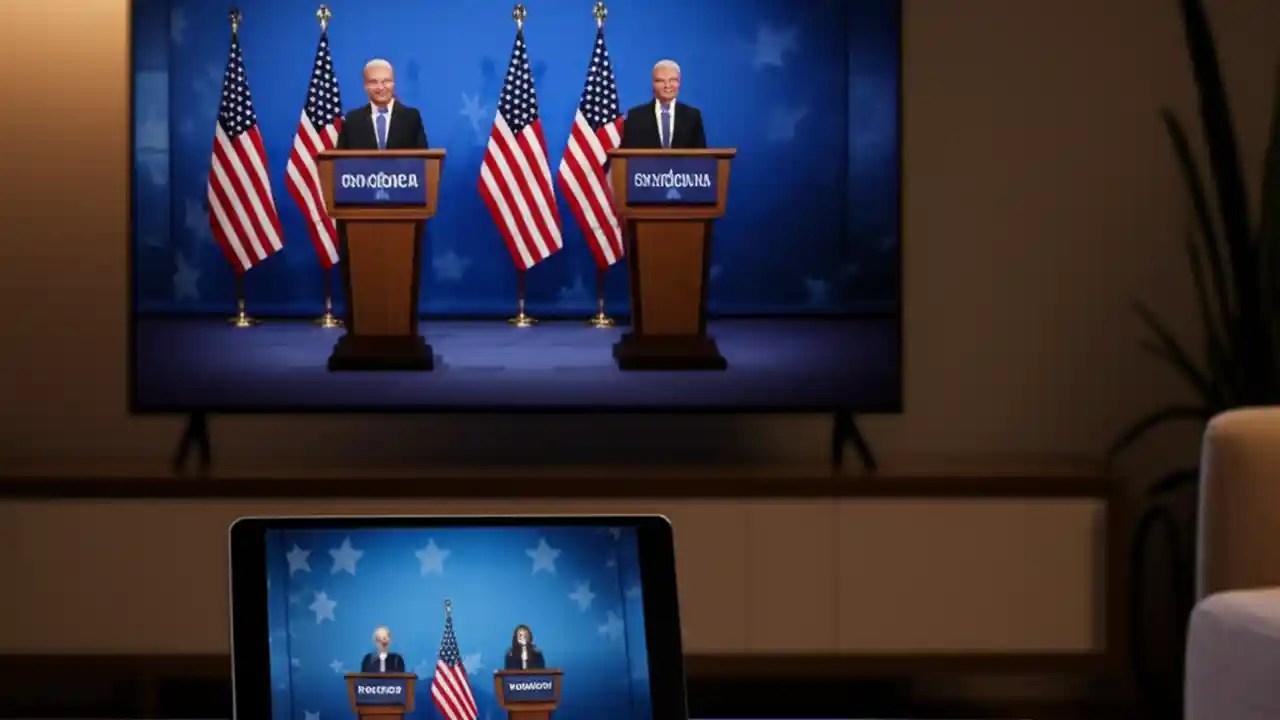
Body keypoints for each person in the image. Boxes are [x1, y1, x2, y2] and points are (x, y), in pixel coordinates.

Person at [336, 59, 428, 150]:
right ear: (365, 86)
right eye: (373, 82)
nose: (380, 87)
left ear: (393, 83)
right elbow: (340, 160)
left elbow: (424, 160)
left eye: (386, 81)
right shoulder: (352, 120)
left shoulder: (411, 117)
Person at [619, 59, 706, 149]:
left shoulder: (692, 116)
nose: (667, 85)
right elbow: (627, 156)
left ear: (679, 82)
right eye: (661, 81)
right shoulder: (635, 117)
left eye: (673, 80)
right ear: (653, 84)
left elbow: (701, 157)